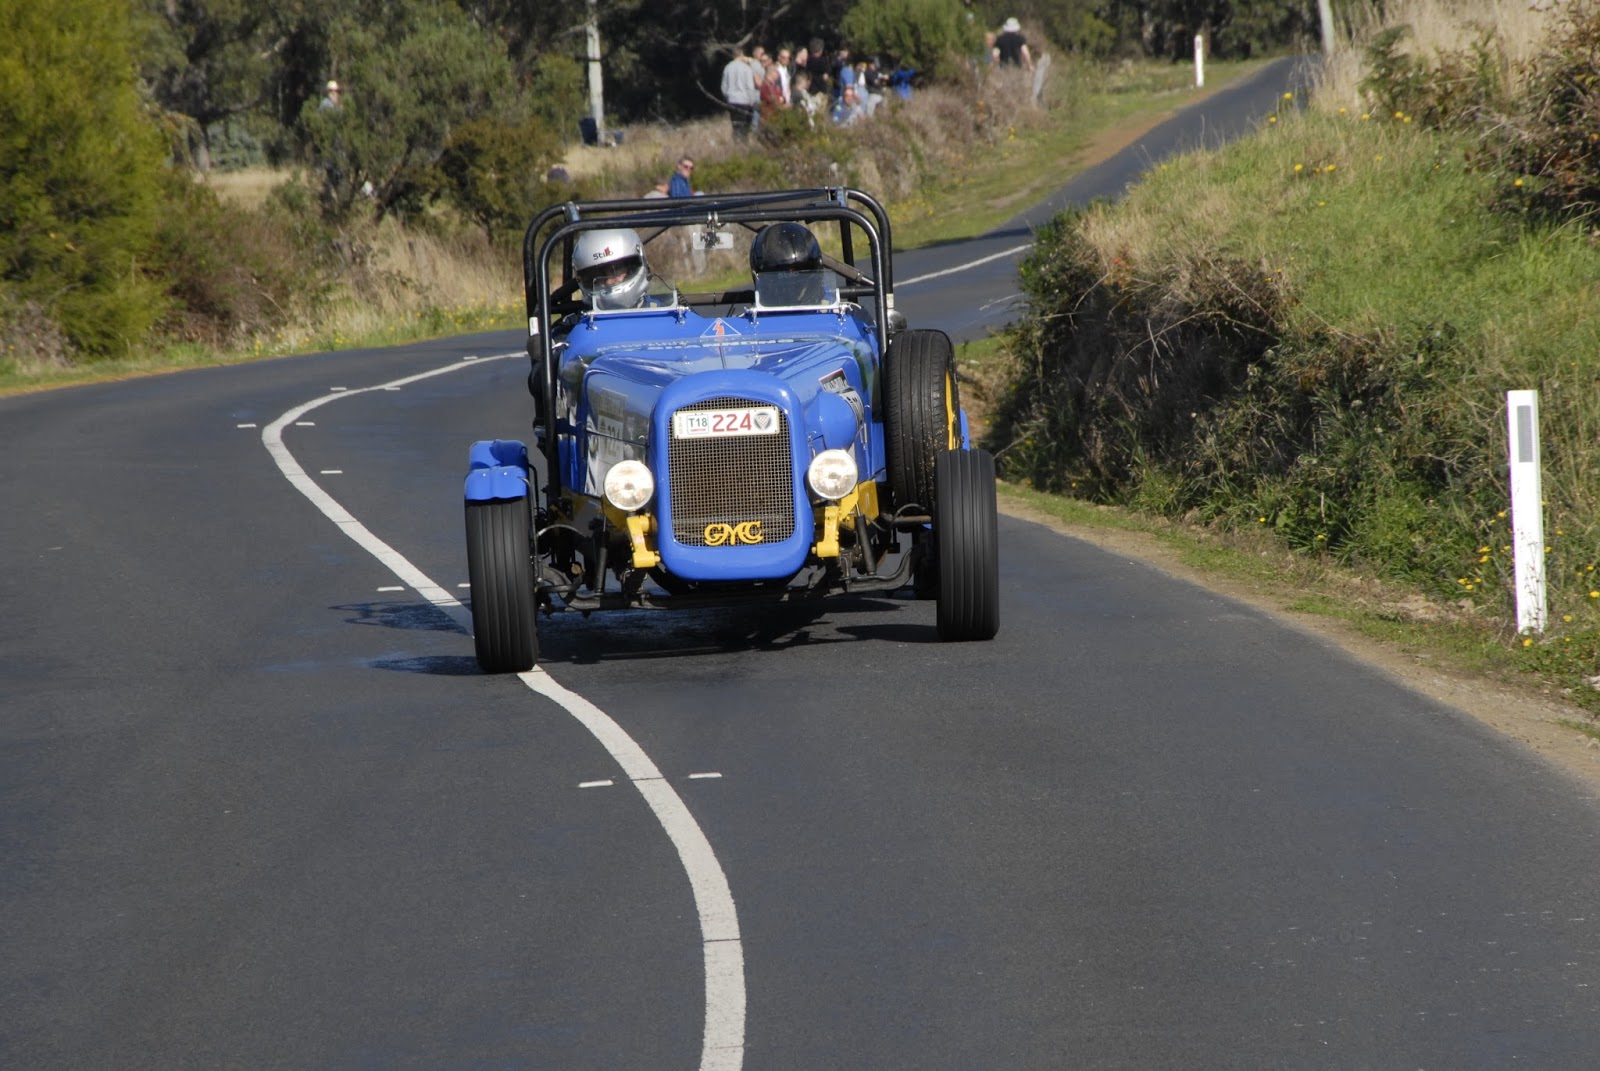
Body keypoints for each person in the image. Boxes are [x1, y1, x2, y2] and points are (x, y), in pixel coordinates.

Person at [572, 228, 651, 310]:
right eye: (599, 275)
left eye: (616, 270)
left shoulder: (662, 313)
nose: (609, 281)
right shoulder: (576, 322)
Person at [750, 222, 826, 305]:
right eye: (781, 286)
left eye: (798, 284)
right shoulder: (752, 314)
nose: (791, 290)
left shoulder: (830, 307)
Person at [721, 47, 759, 141]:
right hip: (744, 100)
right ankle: (743, 143)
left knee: (735, 125)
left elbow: (724, 86)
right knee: (744, 125)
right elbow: (750, 86)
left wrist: (727, 97)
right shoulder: (746, 68)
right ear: (742, 55)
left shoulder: (727, 67)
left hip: (732, 100)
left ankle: (736, 143)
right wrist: (752, 101)